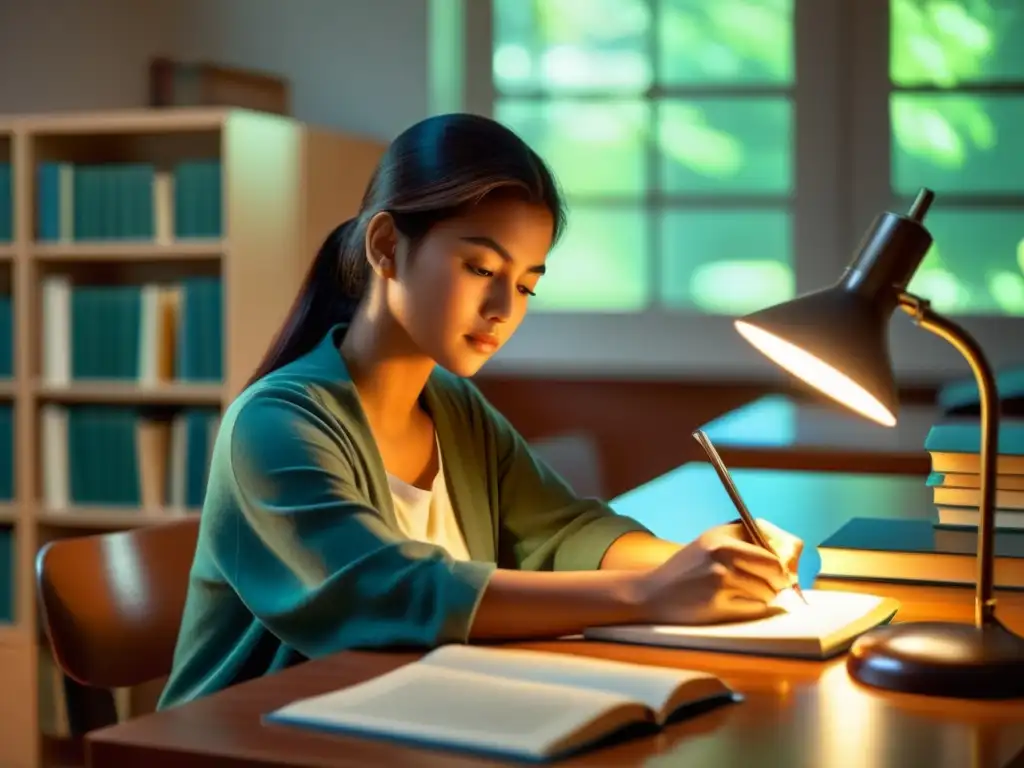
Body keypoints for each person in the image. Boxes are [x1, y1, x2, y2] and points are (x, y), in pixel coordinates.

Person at [158, 113, 803, 709]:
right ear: (386, 245)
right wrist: (649, 594)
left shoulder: (454, 408)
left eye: (525, 284)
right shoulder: (275, 424)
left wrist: (696, 562)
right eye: (479, 266)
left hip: (403, 722)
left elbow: (561, 530)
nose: (503, 307)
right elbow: (387, 590)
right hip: (251, 739)